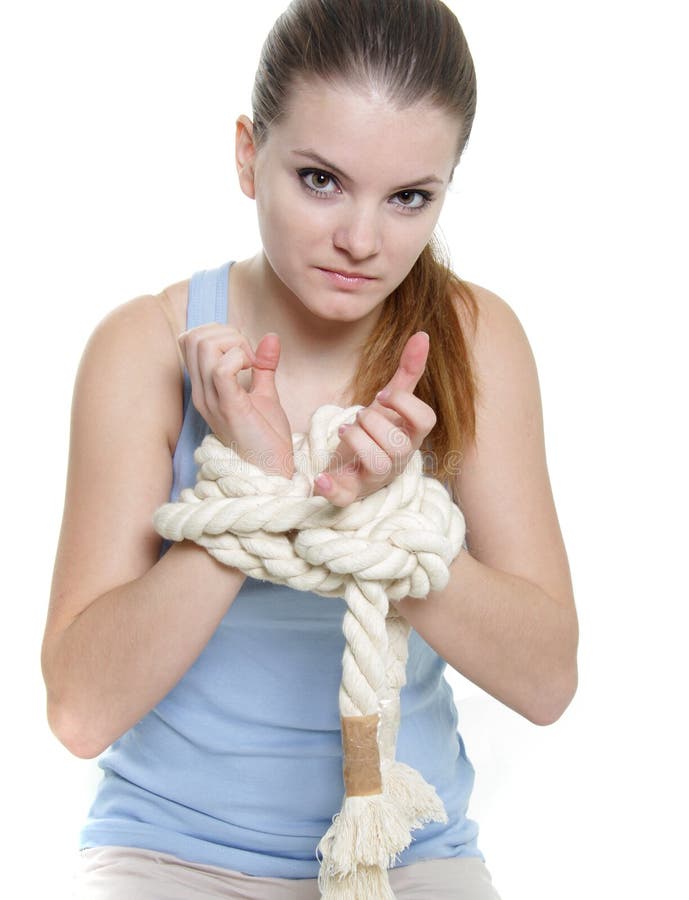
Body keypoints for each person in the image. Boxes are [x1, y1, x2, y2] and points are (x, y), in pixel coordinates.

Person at [41, 1, 579, 897]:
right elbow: (80, 711)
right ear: (247, 154)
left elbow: (546, 681)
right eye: (321, 180)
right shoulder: (146, 346)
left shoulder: (475, 339)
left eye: (409, 197)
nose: (362, 241)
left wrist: (385, 518)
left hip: (408, 853)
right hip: (170, 850)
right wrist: (251, 489)